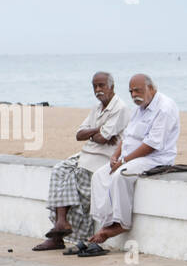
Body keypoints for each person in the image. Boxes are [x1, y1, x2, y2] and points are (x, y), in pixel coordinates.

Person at [32, 73, 131, 253]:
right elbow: (79, 134)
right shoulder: (97, 107)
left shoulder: (120, 108)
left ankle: (59, 236)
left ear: (112, 87)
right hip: (86, 154)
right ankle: (61, 223)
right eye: (95, 86)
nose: (98, 90)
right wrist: (99, 129)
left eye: (102, 86)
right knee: (59, 169)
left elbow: (103, 139)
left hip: (103, 157)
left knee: (76, 178)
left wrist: (94, 134)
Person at [83, 75, 180, 256]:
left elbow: (152, 145)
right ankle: (106, 222)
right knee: (99, 176)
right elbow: (127, 136)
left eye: (138, 90)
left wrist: (124, 162)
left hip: (156, 158)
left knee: (122, 175)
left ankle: (121, 224)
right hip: (130, 157)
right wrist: (115, 156)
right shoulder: (139, 107)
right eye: (131, 91)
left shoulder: (165, 108)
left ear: (151, 88)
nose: (134, 95)